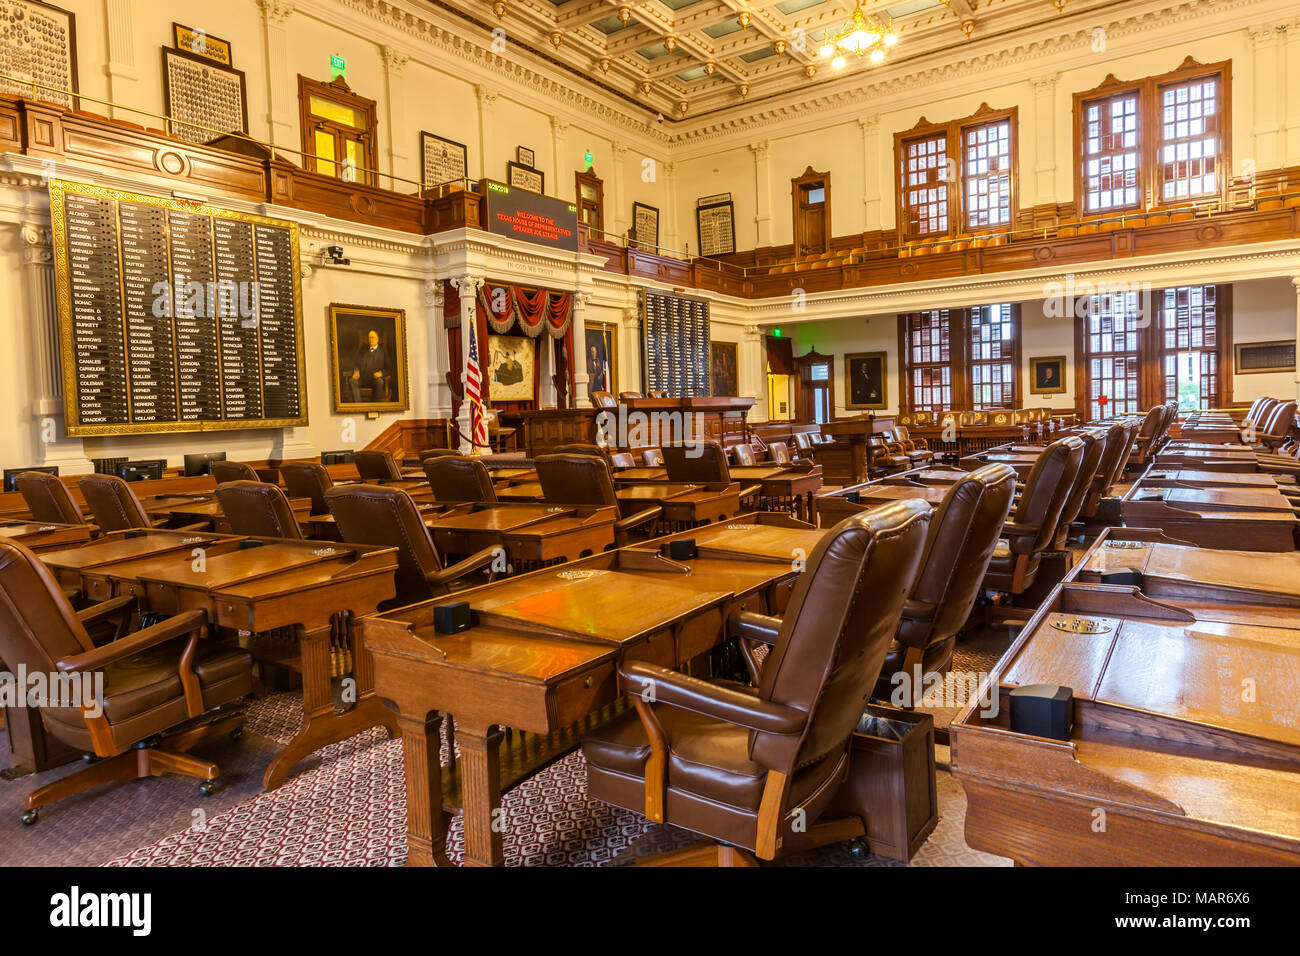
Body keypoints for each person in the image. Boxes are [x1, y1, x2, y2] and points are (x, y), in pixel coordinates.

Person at [347, 329, 391, 403]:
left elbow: (389, 368)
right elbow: (356, 363)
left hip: (374, 380)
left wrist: (381, 373)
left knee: (380, 382)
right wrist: (356, 371)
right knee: (352, 381)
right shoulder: (363, 350)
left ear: (377, 339)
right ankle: (359, 405)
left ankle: (373, 405)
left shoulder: (383, 352)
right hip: (362, 378)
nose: (370, 340)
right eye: (369, 338)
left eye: (372, 337)